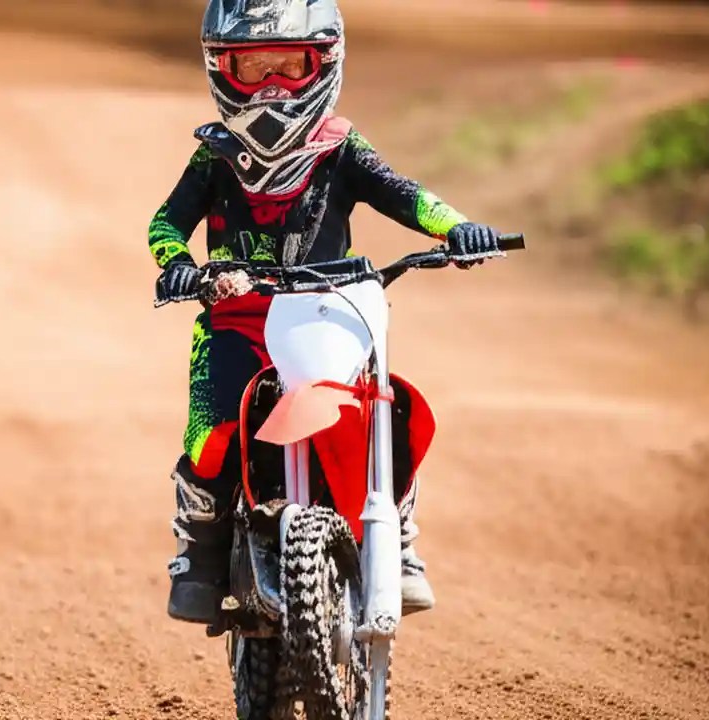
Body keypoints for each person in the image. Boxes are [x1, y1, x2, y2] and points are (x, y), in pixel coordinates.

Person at [152, 0, 504, 624]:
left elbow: (405, 195)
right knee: (209, 439)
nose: (271, 85)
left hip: (327, 312)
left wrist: (459, 228)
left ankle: (395, 536)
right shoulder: (215, 157)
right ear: (221, 67)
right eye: (253, 66)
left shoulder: (340, 150)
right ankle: (198, 554)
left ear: (324, 63)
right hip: (237, 321)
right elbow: (166, 222)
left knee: (379, 412)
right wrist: (177, 261)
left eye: (289, 65)